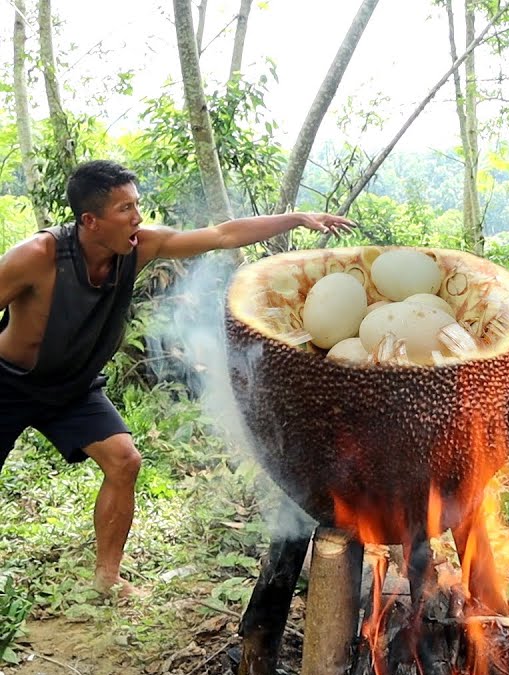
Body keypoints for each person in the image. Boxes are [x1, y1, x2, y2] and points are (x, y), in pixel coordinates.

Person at [0, 160, 354, 598]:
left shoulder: (141, 246)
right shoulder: (36, 257)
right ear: (90, 221)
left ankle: (106, 579)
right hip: (9, 383)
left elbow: (222, 235)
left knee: (124, 461)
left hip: (74, 387)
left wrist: (297, 218)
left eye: (138, 204)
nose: (138, 217)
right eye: (125, 209)